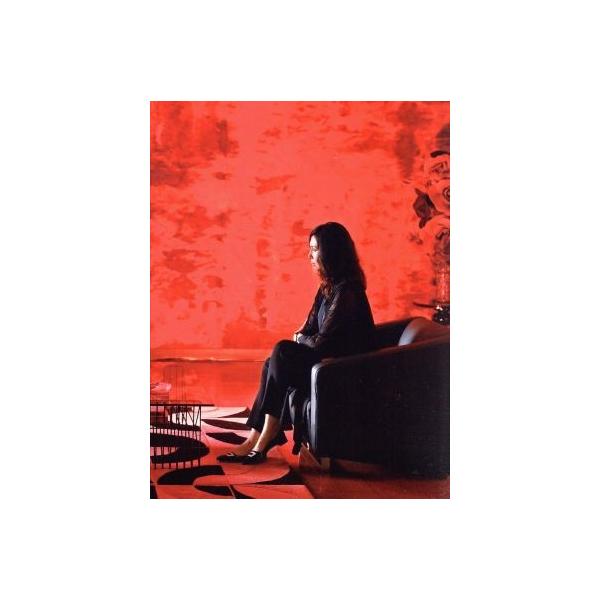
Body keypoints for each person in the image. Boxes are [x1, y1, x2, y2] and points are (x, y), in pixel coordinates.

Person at [217, 222, 375, 465]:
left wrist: (301, 339)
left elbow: (318, 342)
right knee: (272, 361)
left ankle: (266, 436)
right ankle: (254, 439)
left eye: (315, 249)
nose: (309, 256)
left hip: (342, 372)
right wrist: (303, 338)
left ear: (331, 252)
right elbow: (309, 329)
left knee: (282, 351)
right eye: (309, 249)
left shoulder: (348, 292)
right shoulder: (328, 288)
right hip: (326, 366)